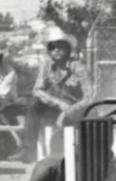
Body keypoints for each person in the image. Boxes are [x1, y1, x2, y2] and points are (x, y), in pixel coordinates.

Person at [10, 26, 92, 163]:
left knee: (59, 136)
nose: (57, 50)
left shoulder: (78, 67)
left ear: (68, 49)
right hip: (56, 107)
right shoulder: (46, 65)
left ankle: (61, 160)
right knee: (33, 103)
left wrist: (68, 110)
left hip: (75, 109)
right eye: (53, 47)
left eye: (61, 46)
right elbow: (37, 90)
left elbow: (89, 97)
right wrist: (58, 103)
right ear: (49, 51)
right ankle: (28, 149)